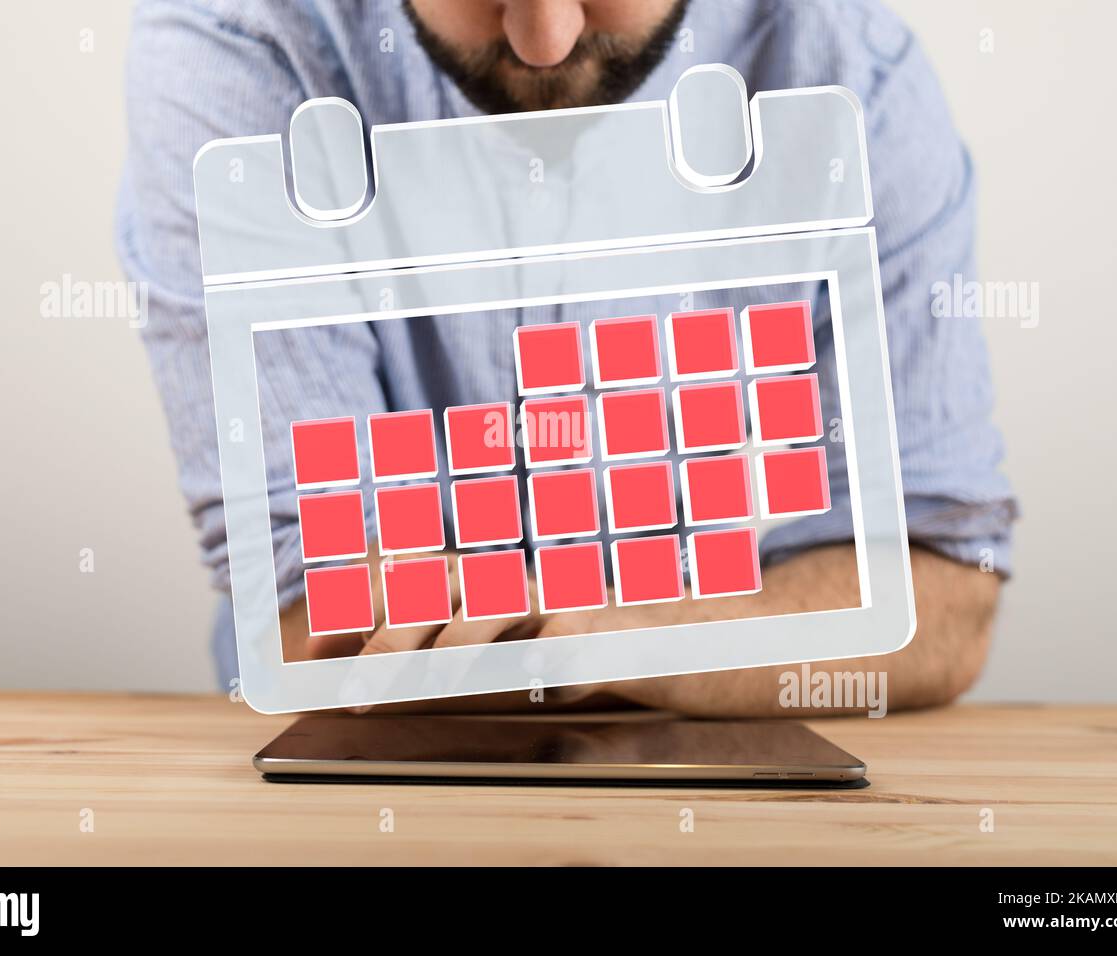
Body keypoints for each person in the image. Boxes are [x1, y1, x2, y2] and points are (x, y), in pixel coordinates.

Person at [116, 0, 1017, 716]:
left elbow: (941, 592)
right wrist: (702, 638)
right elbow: (315, 619)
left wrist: (617, 637)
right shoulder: (242, 42)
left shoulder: (853, 68)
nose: (545, 38)